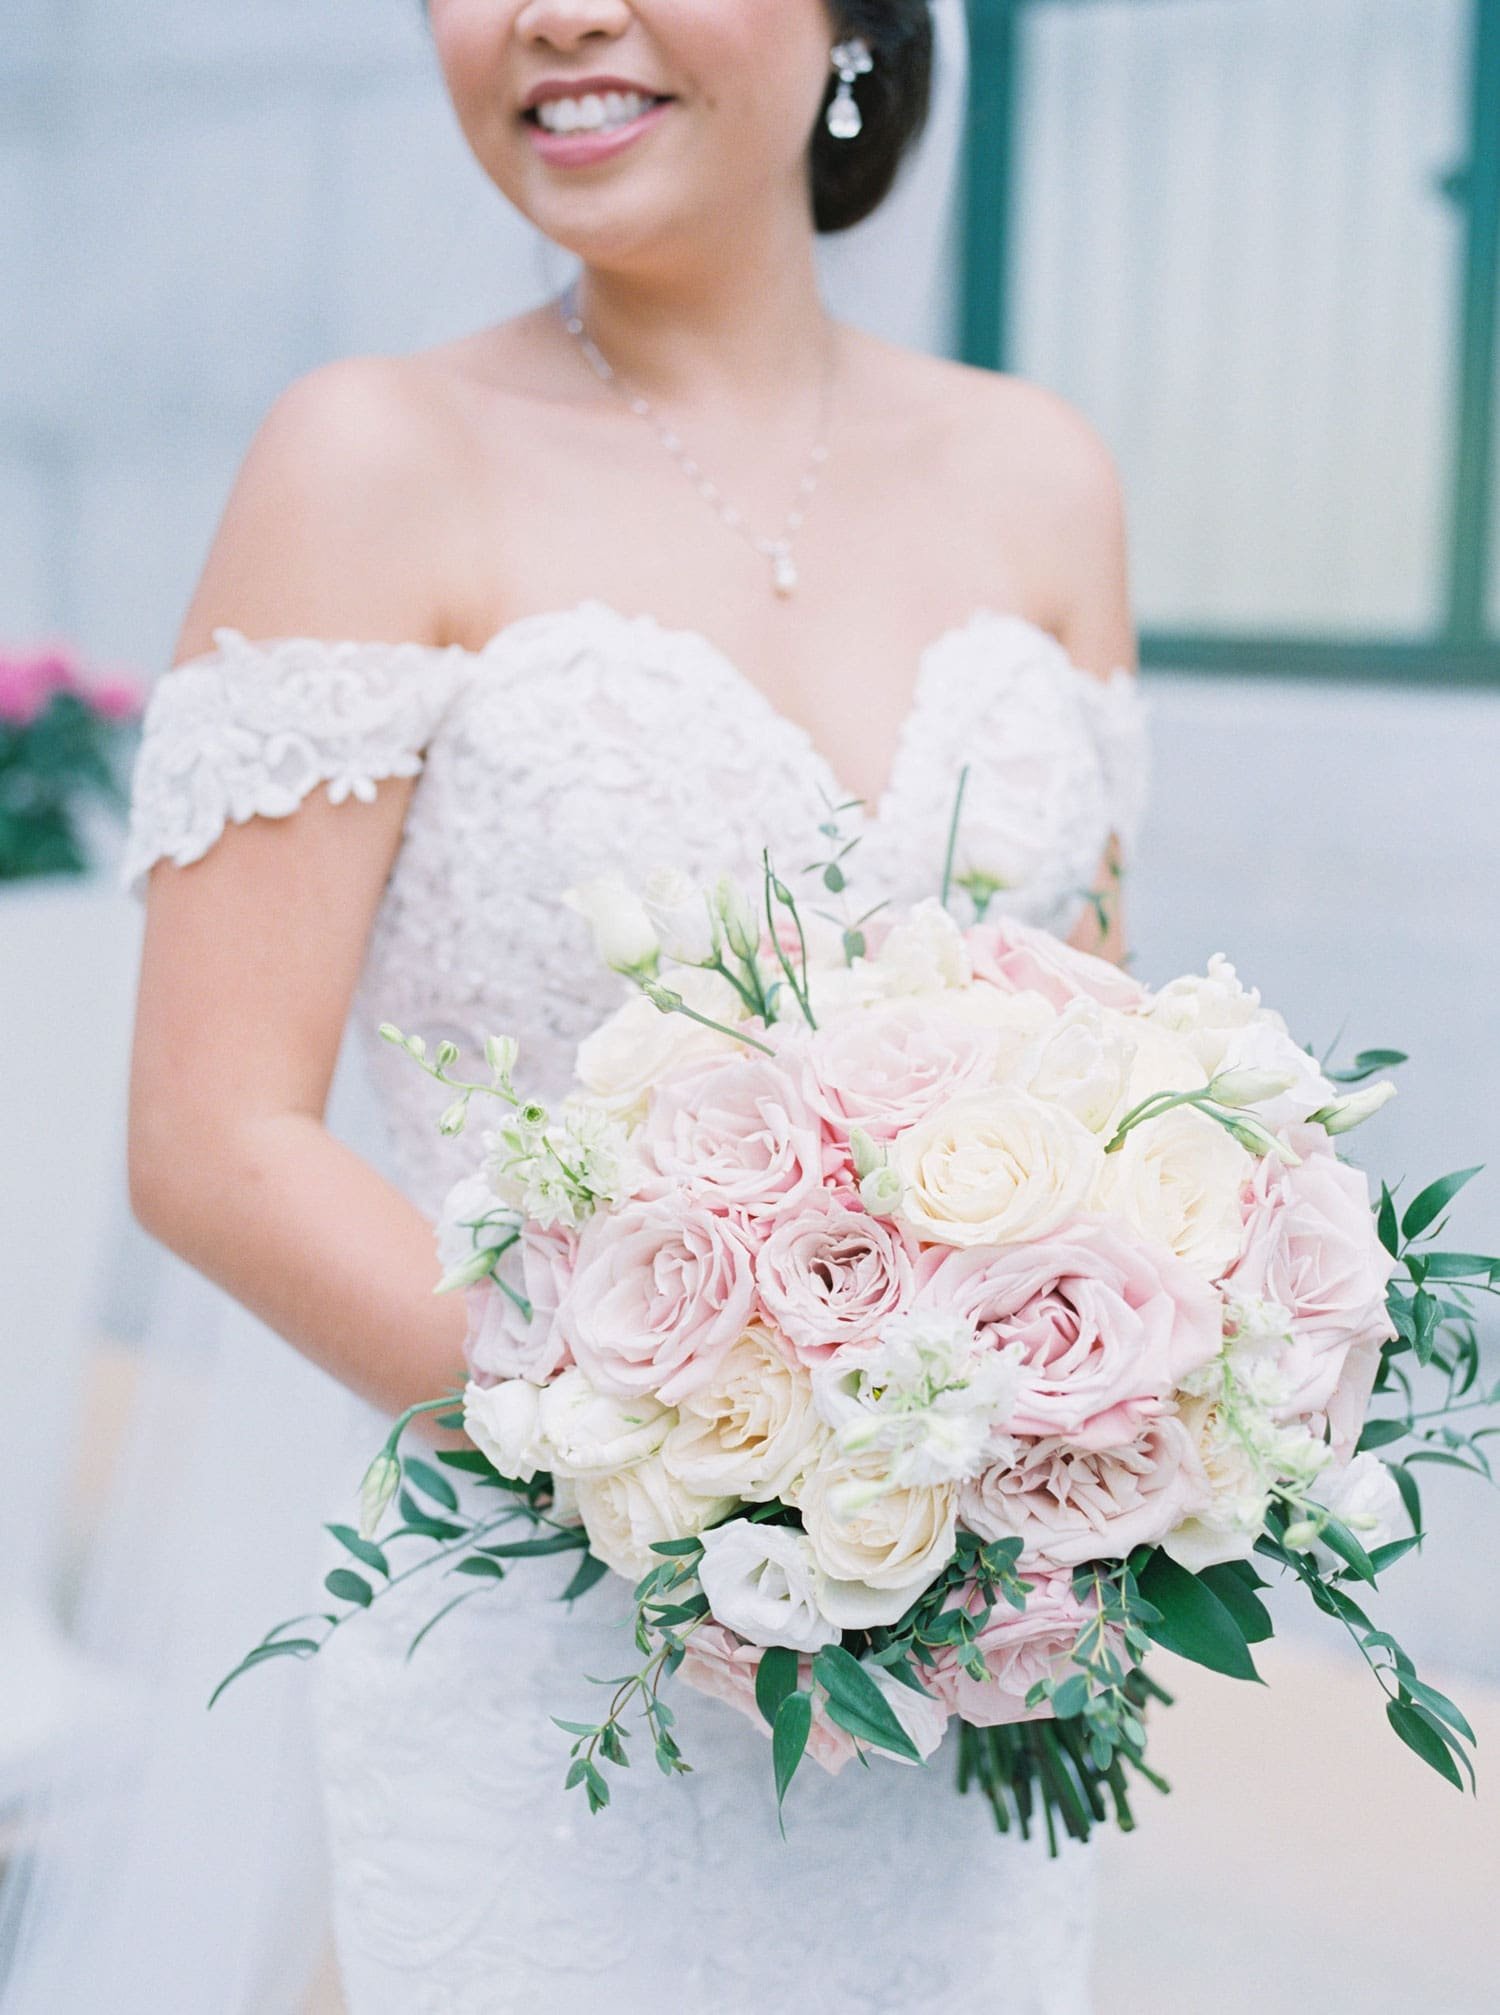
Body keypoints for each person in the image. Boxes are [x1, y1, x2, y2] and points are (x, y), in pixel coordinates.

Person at [30, 4, 1149, 2008]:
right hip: (555, 1665)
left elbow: (1112, 1086)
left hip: (964, 1682)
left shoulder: (1044, 477)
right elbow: (214, 1135)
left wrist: (1109, 1415)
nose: (550, 13)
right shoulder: (371, 454)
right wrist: (704, 1460)